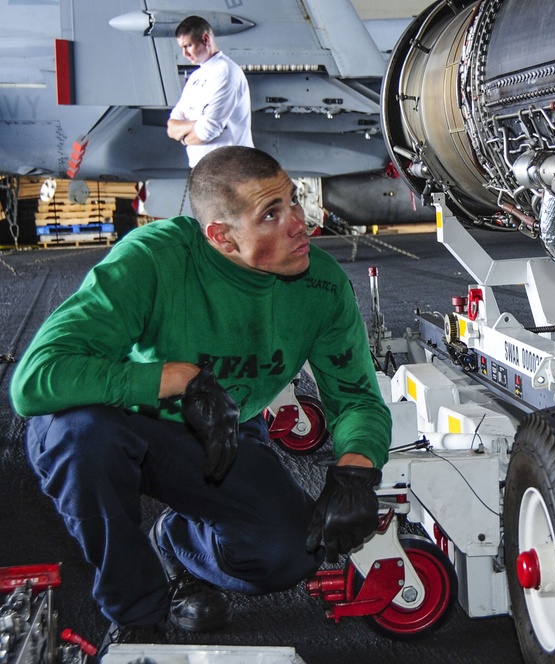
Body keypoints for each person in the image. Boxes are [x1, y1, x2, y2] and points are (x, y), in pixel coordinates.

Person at [9, 146, 391, 651]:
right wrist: (174, 379)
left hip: (225, 433)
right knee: (79, 437)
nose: (299, 223)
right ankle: (138, 613)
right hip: (121, 422)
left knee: (288, 552)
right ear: (221, 237)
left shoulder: (320, 285)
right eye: (271, 215)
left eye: (294, 201)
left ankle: (179, 545)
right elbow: (33, 379)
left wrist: (356, 470)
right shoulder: (152, 257)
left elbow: (357, 397)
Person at [167, 16, 254, 167]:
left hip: (231, 170)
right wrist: (198, 124)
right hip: (206, 171)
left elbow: (208, 130)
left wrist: (184, 139)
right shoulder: (196, 77)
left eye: (188, 46)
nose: (184, 54)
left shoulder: (226, 73)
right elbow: (172, 126)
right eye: (182, 47)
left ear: (206, 39)